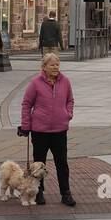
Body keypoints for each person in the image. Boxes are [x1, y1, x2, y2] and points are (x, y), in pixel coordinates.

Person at [19, 53, 75, 206]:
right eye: (52, 65)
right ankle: (39, 192)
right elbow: (26, 104)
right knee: (39, 164)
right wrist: (25, 126)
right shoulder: (35, 83)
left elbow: (70, 100)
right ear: (44, 67)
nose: (56, 67)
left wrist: (67, 114)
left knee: (62, 163)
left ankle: (66, 193)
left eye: (57, 64)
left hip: (59, 130)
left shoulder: (65, 82)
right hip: (40, 131)